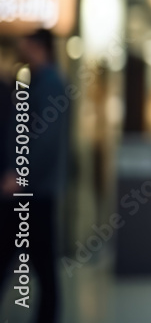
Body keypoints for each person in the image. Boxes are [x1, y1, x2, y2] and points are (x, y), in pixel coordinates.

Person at [1, 28, 70, 323]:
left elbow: (44, 141)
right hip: (33, 188)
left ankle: (47, 315)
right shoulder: (40, 82)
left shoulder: (51, 84)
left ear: (38, 47)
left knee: (38, 259)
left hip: (35, 191)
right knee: (35, 258)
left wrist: (20, 174)